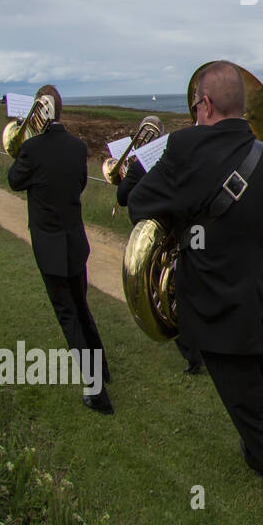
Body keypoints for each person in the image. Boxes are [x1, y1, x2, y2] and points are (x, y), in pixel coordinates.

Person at [128, 61, 263, 525]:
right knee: (257, 403)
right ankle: (260, 461)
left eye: (194, 103)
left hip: (219, 312)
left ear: (203, 104)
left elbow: (139, 203)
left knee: (254, 416)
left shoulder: (183, 147)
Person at [6, 84, 112, 415]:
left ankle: (97, 394)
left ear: (38, 112)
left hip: (50, 247)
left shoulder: (32, 149)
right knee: (82, 307)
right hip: (74, 242)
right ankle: (103, 370)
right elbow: (80, 183)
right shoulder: (77, 146)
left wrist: (25, 142)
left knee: (68, 316)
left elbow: (13, 180)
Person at [117, 152, 204, 375]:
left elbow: (124, 196)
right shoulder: (183, 159)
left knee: (169, 293)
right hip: (194, 232)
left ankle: (192, 352)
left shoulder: (141, 165)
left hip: (162, 239)